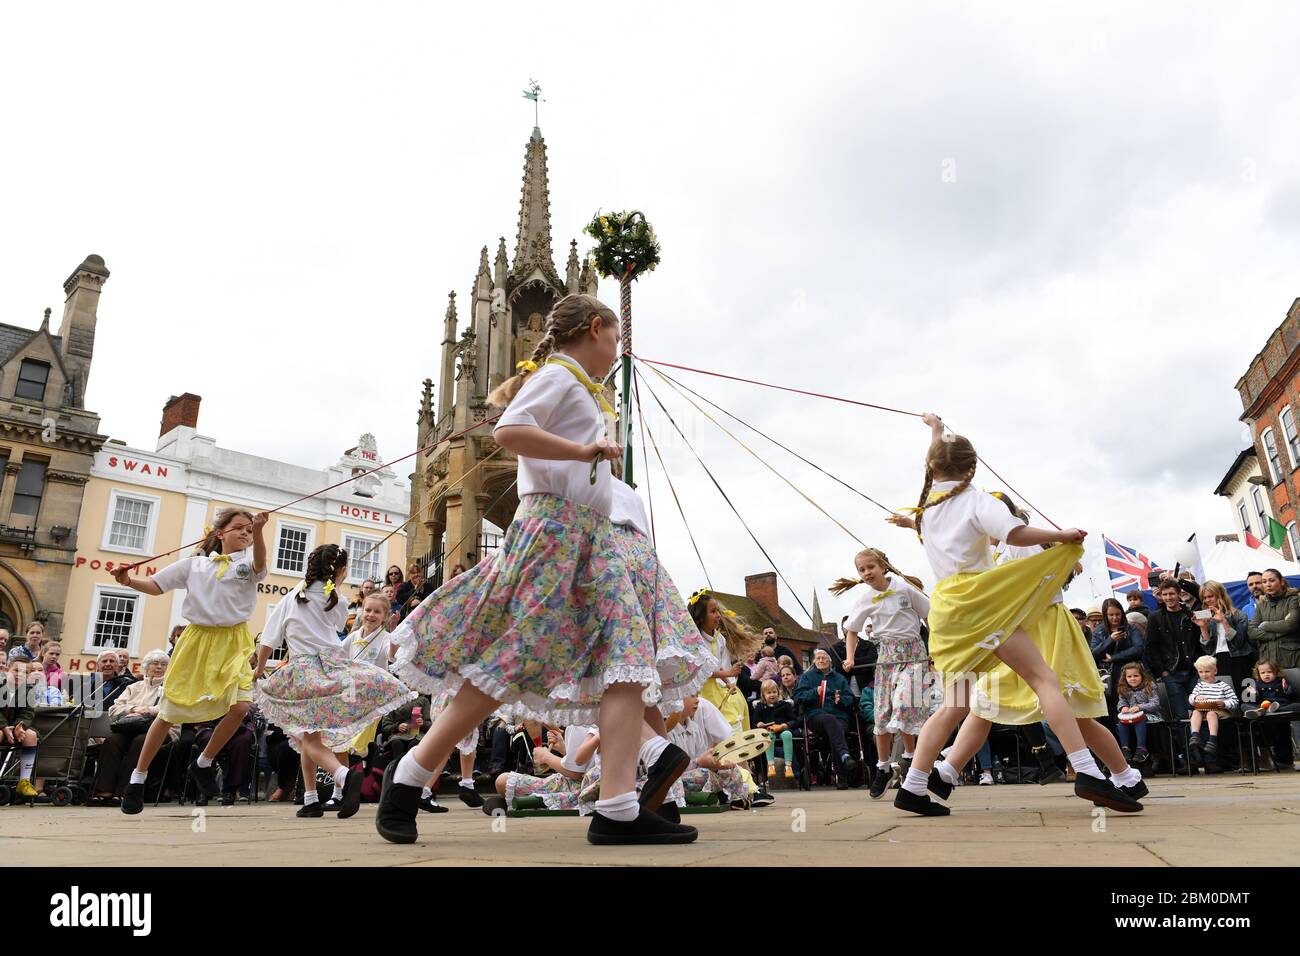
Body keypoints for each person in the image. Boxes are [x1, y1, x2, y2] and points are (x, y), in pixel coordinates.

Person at [377, 293, 696, 846]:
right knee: (514, 662)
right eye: (615, 338)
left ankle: (618, 805)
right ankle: (410, 773)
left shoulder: (584, 389)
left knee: (627, 661)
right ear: (595, 329)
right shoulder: (560, 377)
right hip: (551, 531)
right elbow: (509, 430)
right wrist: (584, 452)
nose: (618, 350)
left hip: (593, 539)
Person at [886, 414, 1139, 815]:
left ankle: (913, 786)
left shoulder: (927, 505)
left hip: (947, 609)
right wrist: (1062, 535)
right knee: (1045, 679)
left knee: (956, 700)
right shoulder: (975, 500)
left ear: (932, 467)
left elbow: (932, 470)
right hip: (980, 604)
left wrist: (934, 431)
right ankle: (1088, 771)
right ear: (972, 468)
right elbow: (1015, 533)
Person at [110, 507, 270, 814]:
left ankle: (204, 761)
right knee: (170, 712)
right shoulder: (194, 565)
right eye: (240, 528)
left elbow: (261, 564)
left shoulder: (248, 564)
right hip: (196, 641)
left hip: (234, 641)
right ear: (219, 533)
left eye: (249, 530)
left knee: (239, 707)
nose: (246, 533)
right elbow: (156, 586)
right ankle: (137, 779)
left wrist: (260, 531)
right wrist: (128, 581)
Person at [255, 544, 414, 819]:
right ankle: (310, 798)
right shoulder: (336, 599)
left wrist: (258, 669)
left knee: (308, 737)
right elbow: (339, 626)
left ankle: (343, 775)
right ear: (340, 571)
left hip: (304, 671)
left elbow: (269, 639)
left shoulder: (294, 595)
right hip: (332, 668)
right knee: (308, 735)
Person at [831, 547, 930, 800]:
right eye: (861, 570)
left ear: (883, 566)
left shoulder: (905, 589)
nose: (866, 573)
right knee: (882, 714)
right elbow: (852, 630)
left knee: (904, 703)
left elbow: (930, 616)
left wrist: (936, 649)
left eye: (870, 567)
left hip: (913, 654)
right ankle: (883, 767)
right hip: (886, 656)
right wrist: (850, 658)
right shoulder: (865, 600)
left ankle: (908, 758)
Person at [90, 650, 177, 805]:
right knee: (112, 741)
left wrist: (148, 710)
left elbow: (171, 708)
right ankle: (104, 790)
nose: (159, 667)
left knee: (140, 743)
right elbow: (114, 709)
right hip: (130, 727)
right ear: (146, 666)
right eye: (155, 663)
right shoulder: (134, 686)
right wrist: (133, 710)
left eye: (163, 664)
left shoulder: (172, 687)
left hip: (162, 729)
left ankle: (125, 792)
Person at [664, 695, 755, 809]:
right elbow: (672, 768)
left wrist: (716, 764)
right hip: (676, 779)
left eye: (697, 695)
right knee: (703, 774)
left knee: (730, 769)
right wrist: (699, 762)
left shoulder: (694, 728)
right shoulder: (667, 731)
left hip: (696, 772)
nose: (697, 700)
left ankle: (736, 799)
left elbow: (703, 757)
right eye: (692, 696)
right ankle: (703, 800)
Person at [689, 590, 760, 733]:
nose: (718, 615)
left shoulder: (720, 639)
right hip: (703, 691)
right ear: (701, 617)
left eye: (718, 611)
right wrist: (728, 673)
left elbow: (719, 666)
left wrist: (728, 682)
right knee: (721, 726)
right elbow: (701, 671)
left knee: (738, 711)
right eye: (713, 612)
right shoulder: (695, 641)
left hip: (718, 687)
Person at [791, 648, 858, 788]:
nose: (821, 661)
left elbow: (851, 698)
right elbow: (797, 697)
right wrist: (814, 692)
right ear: (814, 661)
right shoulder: (807, 677)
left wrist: (841, 700)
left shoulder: (839, 678)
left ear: (830, 661)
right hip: (816, 715)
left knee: (837, 727)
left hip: (838, 714)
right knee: (831, 722)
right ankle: (844, 760)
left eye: (824, 658)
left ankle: (842, 776)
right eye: (818, 658)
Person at [1143, 580, 1201, 722]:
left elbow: (1198, 641)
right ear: (1161, 596)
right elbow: (1151, 646)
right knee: (1181, 714)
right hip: (1171, 672)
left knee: (1199, 711)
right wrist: (1162, 671)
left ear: (1179, 594)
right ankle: (1186, 744)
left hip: (1193, 670)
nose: (1168, 597)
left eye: (1171, 594)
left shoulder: (1190, 614)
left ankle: (1201, 742)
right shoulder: (1155, 617)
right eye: (1165, 594)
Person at [1195, 580, 1254, 695]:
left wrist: (1223, 621)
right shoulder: (1208, 617)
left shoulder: (1239, 615)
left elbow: (1238, 643)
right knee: (1225, 696)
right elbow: (1208, 649)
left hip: (1239, 659)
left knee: (1247, 695)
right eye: (1205, 598)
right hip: (1218, 660)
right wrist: (1202, 627)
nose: (1207, 600)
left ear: (1220, 595)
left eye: (1210, 596)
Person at [1245, 658, 1298, 770]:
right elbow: (1255, 701)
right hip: (1263, 707)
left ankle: (1271, 710)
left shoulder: (1281, 681)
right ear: (1258, 674)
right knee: (1244, 706)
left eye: (1269, 672)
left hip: (1281, 706)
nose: (1266, 675)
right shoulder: (1257, 685)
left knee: (1296, 705)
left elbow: (1290, 696)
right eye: (1263, 673)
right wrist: (1253, 694)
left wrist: (1286, 688)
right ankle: (1259, 712)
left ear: (1276, 672)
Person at [1187, 655, 1238, 767]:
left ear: (1215, 671)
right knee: (1195, 712)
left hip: (1219, 711)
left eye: (1207, 671)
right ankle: (1195, 736)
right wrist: (1196, 698)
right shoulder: (1199, 686)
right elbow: (1191, 699)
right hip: (1203, 710)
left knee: (1211, 713)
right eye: (1201, 672)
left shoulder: (1223, 686)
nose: (1204, 674)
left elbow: (1234, 701)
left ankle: (1212, 740)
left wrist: (1224, 703)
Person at [1089, 598, 1145, 698]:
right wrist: (1110, 639)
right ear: (1105, 616)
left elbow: (1138, 649)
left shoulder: (1131, 628)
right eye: (1111, 615)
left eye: (1118, 614)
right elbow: (1093, 654)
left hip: (1130, 675)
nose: (1115, 618)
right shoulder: (1100, 630)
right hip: (1109, 678)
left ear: (1122, 613)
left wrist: (1114, 657)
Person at [0, 659, 39, 798]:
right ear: (7, 670)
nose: (20, 674)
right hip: (2, 726)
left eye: (25, 672)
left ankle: (24, 781)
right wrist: (4, 727)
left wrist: (19, 726)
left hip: (15, 727)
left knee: (31, 735)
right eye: (16, 670)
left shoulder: (28, 690)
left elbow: (27, 713)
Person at [1249, 569, 1300, 668]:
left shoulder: (1293, 599)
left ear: (1281, 582)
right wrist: (1277, 633)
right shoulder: (1262, 604)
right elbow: (1251, 631)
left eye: (1271, 580)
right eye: (1264, 582)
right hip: (1268, 662)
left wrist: (1265, 625)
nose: (1268, 584)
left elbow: (1291, 624)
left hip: (1291, 658)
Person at [1113, 663, 1160, 765]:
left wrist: (1140, 707)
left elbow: (1155, 704)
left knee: (1140, 719)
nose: (1132, 679)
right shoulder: (1123, 689)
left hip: (1150, 715)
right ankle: (1125, 748)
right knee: (1121, 722)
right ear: (1125, 678)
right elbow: (1121, 703)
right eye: (1129, 676)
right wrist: (1123, 708)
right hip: (1131, 717)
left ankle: (1141, 748)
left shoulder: (1149, 686)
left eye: (1136, 676)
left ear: (1142, 676)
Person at [752, 679, 796, 783]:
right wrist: (759, 724)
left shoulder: (784, 705)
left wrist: (787, 725)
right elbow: (755, 722)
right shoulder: (760, 707)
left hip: (782, 729)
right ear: (763, 695)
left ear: (778, 692)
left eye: (774, 692)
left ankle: (788, 766)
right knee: (769, 735)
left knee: (787, 734)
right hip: (768, 731)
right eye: (769, 693)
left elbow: (794, 719)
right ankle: (770, 765)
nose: (772, 695)